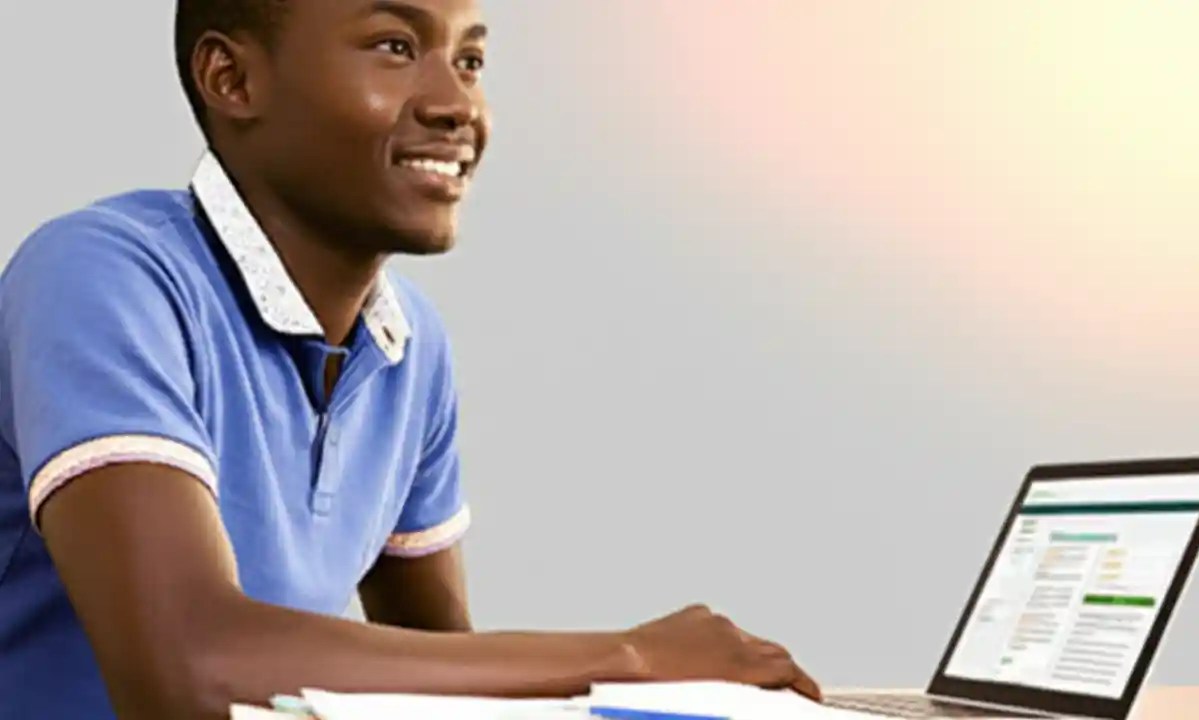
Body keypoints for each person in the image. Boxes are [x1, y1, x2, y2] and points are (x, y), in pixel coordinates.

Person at [0, 1, 820, 718]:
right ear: (232, 79)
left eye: (469, 60)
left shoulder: (406, 347)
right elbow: (187, 669)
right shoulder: (103, 276)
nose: (456, 102)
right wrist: (635, 657)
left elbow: (438, 675)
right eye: (396, 47)